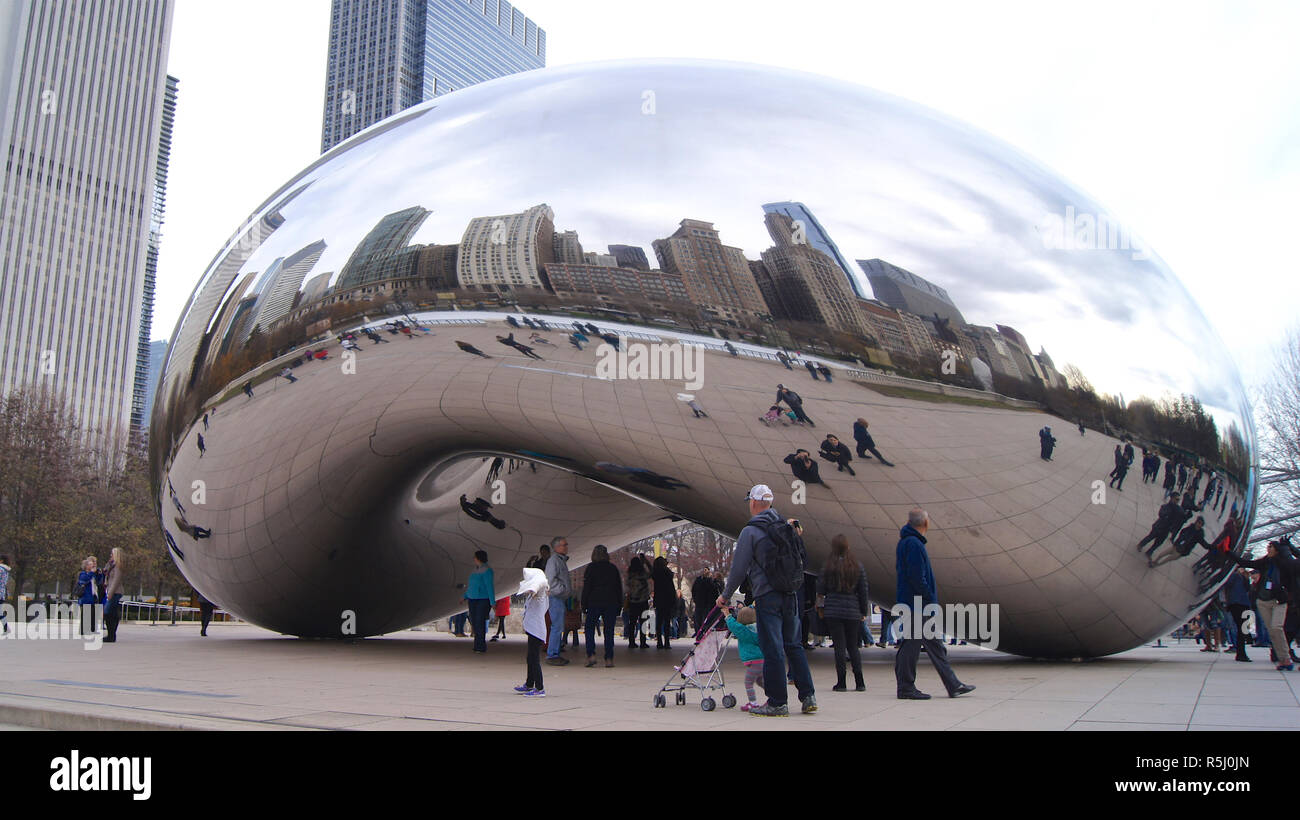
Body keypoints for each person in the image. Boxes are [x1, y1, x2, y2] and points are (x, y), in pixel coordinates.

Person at [716, 484, 817, 717]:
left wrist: (726, 595)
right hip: (790, 594)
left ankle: (777, 702)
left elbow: (739, 568)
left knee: (772, 648)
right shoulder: (787, 526)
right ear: (769, 503)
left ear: (753, 503)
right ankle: (808, 696)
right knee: (794, 645)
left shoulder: (750, 532)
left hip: (767, 595)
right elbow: (804, 560)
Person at [894, 509, 975, 699]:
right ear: (925, 523)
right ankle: (906, 687)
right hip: (917, 604)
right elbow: (917, 577)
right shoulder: (914, 544)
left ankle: (953, 684)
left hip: (914, 603)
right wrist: (930, 598)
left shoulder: (908, 542)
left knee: (934, 646)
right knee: (911, 646)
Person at [1226, 539, 1300, 670]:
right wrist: (1228, 552)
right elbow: (1245, 562)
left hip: (1279, 600)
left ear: (1277, 550)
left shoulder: (1285, 564)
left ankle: (1286, 657)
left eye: (1271, 547)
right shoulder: (1265, 562)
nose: (1268, 549)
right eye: (1267, 547)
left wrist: (1289, 547)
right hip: (1263, 601)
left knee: (1277, 627)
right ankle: (1282, 659)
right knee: (1272, 631)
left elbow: (1294, 564)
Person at [817, 534, 869, 692]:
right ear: (848, 547)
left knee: (839, 646)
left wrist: (821, 608)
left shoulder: (828, 566)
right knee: (853, 646)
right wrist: (863, 610)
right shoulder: (857, 566)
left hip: (833, 609)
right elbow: (863, 590)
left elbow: (820, 589)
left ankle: (841, 682)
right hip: (852, 610)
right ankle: (860, 682)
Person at [581, 544, 622, 667]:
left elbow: (587, 587)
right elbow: (618, 588)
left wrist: (584, 604)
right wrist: (619, 605)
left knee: (589, 629)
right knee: (609, 631)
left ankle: (591, 655)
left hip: (594, 601)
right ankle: (609, 658)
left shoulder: (591, 568)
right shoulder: (613, 568)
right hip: (611, 601)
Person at [516, 567, 550, 697]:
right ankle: (529, 684)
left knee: (534, 659)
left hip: (536, 630)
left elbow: (540, 582)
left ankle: (540, 688)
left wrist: (533, 589)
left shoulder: (541, 591)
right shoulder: (538, 594)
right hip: (532, 629)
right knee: (530, 658)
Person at [725, 606, 766, 711]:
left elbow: (734, 626)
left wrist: (728, 616)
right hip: (762, 660)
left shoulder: (745, 631)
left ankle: (753, 703)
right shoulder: (758, 629)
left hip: (754, 661)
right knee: (760, 681)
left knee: (748, 682)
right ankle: (773, 696)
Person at [544, 536, 571, 665]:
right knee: (557, 626)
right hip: (556, 597)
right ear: (556, 547)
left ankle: (554, 652)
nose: (566, 547)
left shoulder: (560, 561)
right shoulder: (554, 561)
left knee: (558, 626)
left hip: (559, 597)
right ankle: (552, 654)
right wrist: (562, 589)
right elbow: (550, 580)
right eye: (564, 545)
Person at [464, 550, 495, 653]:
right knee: (474, 622)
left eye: (475, 557)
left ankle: (481, 646)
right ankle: (477, 644)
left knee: (479, 622)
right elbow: (471, 585)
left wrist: (492, 602)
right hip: (472, 599)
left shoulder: (487, 571)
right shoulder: (474, 570)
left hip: (482, 599)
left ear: (478, 558)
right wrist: (465, 596)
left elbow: (489, 586)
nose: (474, 559)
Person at [1223, 567, 1253, 662]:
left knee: (1242, 629)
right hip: (1238, 603)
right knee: (1241, 629)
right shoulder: (1235, 575)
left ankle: (1241, 652)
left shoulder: (1243, 577)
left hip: (1241, 603)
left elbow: (1247, 588)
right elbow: (1227, 584)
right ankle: (1241, 652)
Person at [625, 555, 651, 648]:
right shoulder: (642, 574)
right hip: (643, 601)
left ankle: (631, 641)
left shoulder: (630, 575)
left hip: (632, 601)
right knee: (643, 622)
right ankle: (643, 642)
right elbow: (651, 573)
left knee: (632, 622)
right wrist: (646, 562)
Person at [651, 556, 675, 650]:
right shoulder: (667, 572)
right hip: (667, 599)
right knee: (666, 621)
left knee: (659, 621)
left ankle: (659, 641)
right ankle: (667, 642)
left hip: (659, 599)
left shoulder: (656, 573)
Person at [102, 548, 125, 643]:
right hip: (110, 590)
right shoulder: (112, 565)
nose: (110, 555)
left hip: (115, 592)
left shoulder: (118, 566)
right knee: (113, 613)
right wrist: (109, 563)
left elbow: (116, 580)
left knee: (107, 613)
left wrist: (110, 594)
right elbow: (105, 570)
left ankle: (111, 635)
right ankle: (111, 635)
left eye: (112, 554)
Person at [77, 556, 101, 635]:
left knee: (93, 613)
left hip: (93, 596)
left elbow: (98, 581)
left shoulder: (92, 574)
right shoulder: (83, 574)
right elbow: (85, 580)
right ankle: (83, 630)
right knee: (86, 614)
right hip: (85, 597)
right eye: (90, 564)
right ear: (86, 566)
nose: (92, 566)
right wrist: (92, 572)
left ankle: (91, 629)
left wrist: (99, 574)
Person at [0, 555, 11, 634]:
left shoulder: (0, 569)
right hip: (2, 593)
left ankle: (6, 628)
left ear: (1, 561)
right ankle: (6, 628)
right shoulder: (5, 570)